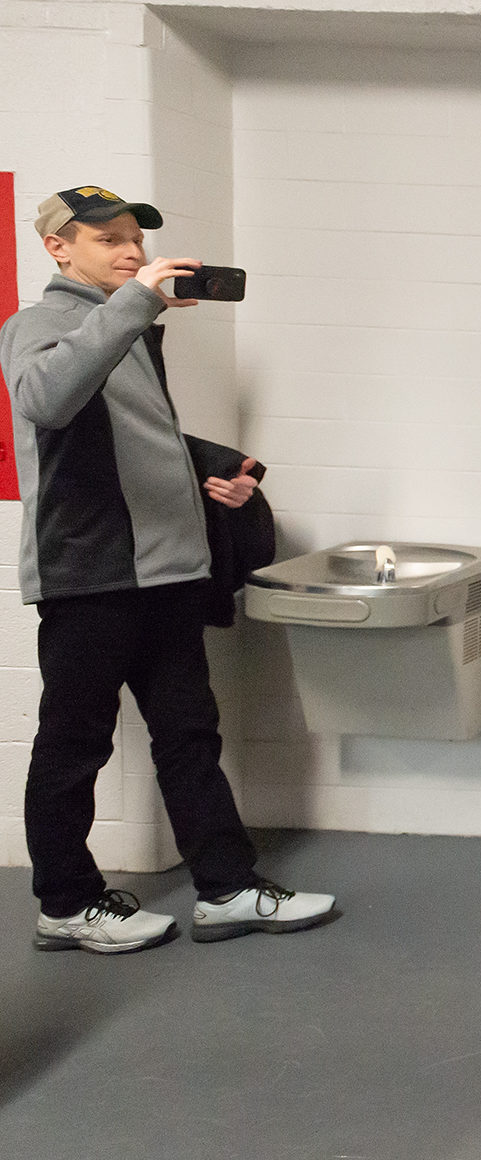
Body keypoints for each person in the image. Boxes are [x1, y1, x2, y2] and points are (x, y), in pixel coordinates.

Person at [0, 185, 335, 954]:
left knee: (189, 733)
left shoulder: (131, 329)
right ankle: (66, 903)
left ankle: (227, 888)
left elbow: (134, 439)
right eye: (107, 240)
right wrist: (131, 308)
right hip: (89, 577)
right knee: (74, 743)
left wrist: (219, 471)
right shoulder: (38, 325)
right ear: (57, 248)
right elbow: (47, 402)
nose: (131, 252)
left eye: (135, 240)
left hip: (165, 573)